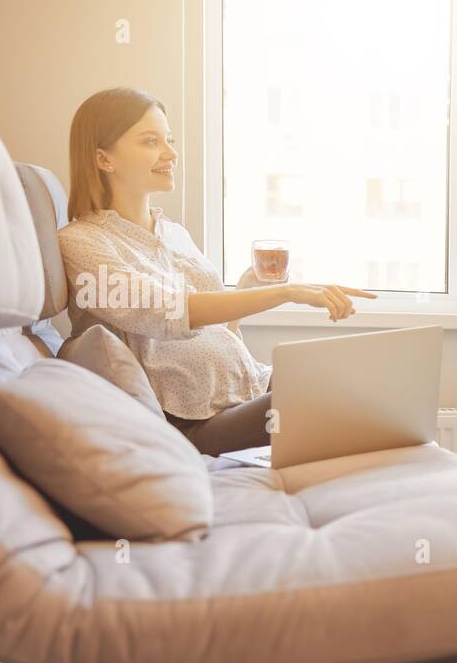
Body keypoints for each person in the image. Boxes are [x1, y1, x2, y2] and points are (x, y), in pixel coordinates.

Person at [58, 87, 376, 455]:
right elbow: (167, 313)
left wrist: (244, 290)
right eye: (150, 141)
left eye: (169, 140)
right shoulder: (82, 242)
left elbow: (218, 333)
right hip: (193, 422)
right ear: (103, 159)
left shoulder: (173, 233)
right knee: (326, 398)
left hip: (249, 389)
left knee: (358, 377)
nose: (171, 154)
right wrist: (285, 293)